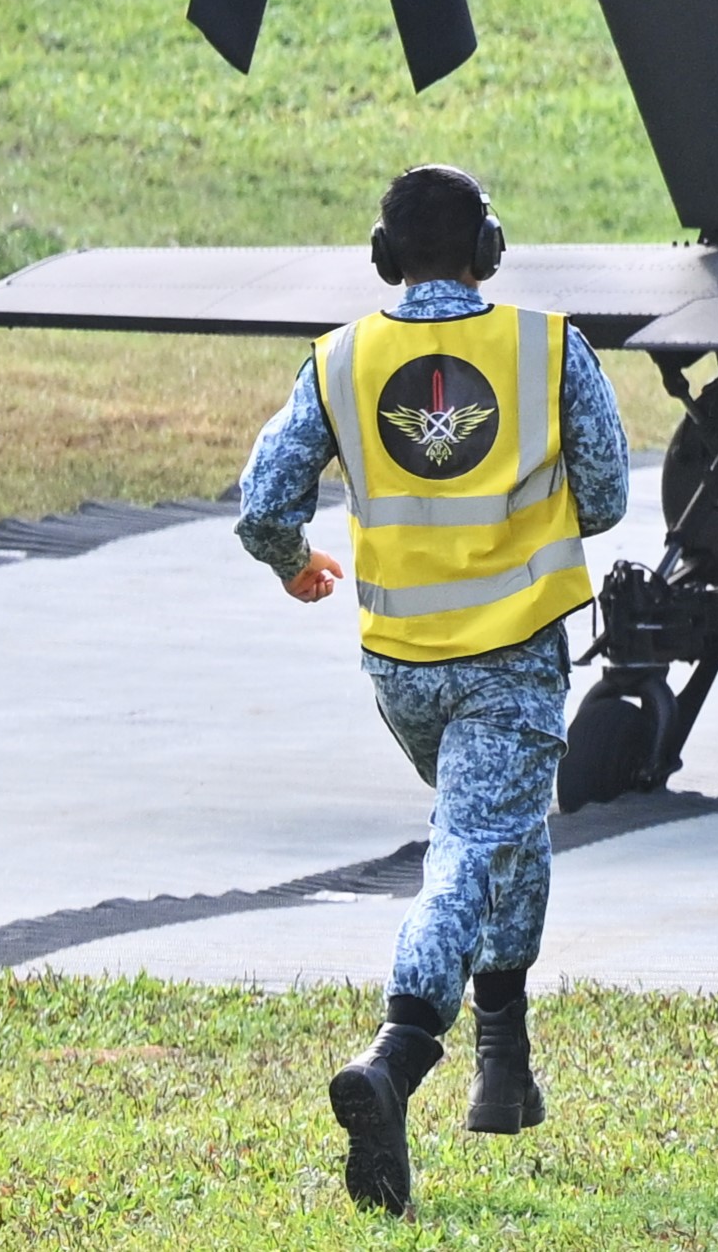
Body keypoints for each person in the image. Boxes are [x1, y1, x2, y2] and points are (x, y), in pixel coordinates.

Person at [235, 164, 633, 1216]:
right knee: (466, 848)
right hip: (512, 655)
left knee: (505, 829)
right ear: (487, 250)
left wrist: (292, 563)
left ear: (384, 256)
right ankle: (399, 1056)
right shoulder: (549, 348)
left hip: (402, 668)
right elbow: (607, 494)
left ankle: (504, 1058)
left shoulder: (341, 359)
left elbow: (262, 504)